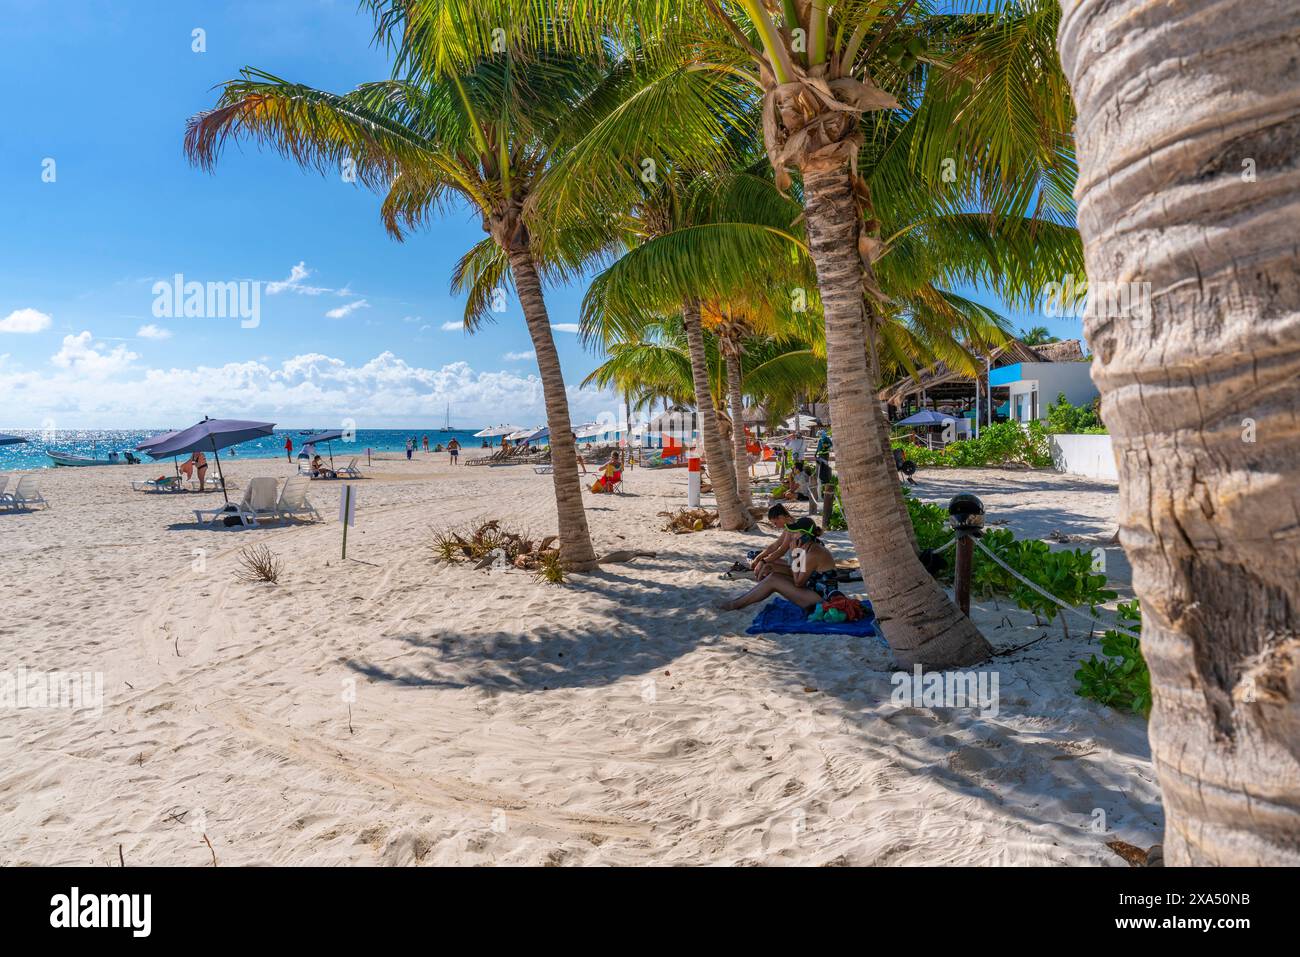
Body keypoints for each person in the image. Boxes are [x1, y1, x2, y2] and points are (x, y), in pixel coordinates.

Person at [717, 518, 840, 612]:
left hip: (822, 600)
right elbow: (799, 574)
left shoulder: (814, 553)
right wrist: (775, 567)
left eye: (795, 533)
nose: (792, 536)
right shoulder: (809, 546)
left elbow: (798, 583)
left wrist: (795, 556)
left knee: (773, 580)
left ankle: (736, 604)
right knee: (772, 572)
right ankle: (739, 601)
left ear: (806, 536)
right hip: (812, 589)